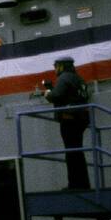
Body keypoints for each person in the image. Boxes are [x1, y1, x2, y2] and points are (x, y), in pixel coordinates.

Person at [42, 56, 91, 190]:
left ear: (62, 66)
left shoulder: (64, 78)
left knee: (71, 154)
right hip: (81, 119)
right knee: (78, 152)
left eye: (56, 66)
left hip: (69, 120)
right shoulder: (79, 78)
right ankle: (84, 184)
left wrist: (47, 93)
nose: (55, 69)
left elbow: (56, 96)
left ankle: (75, 185)